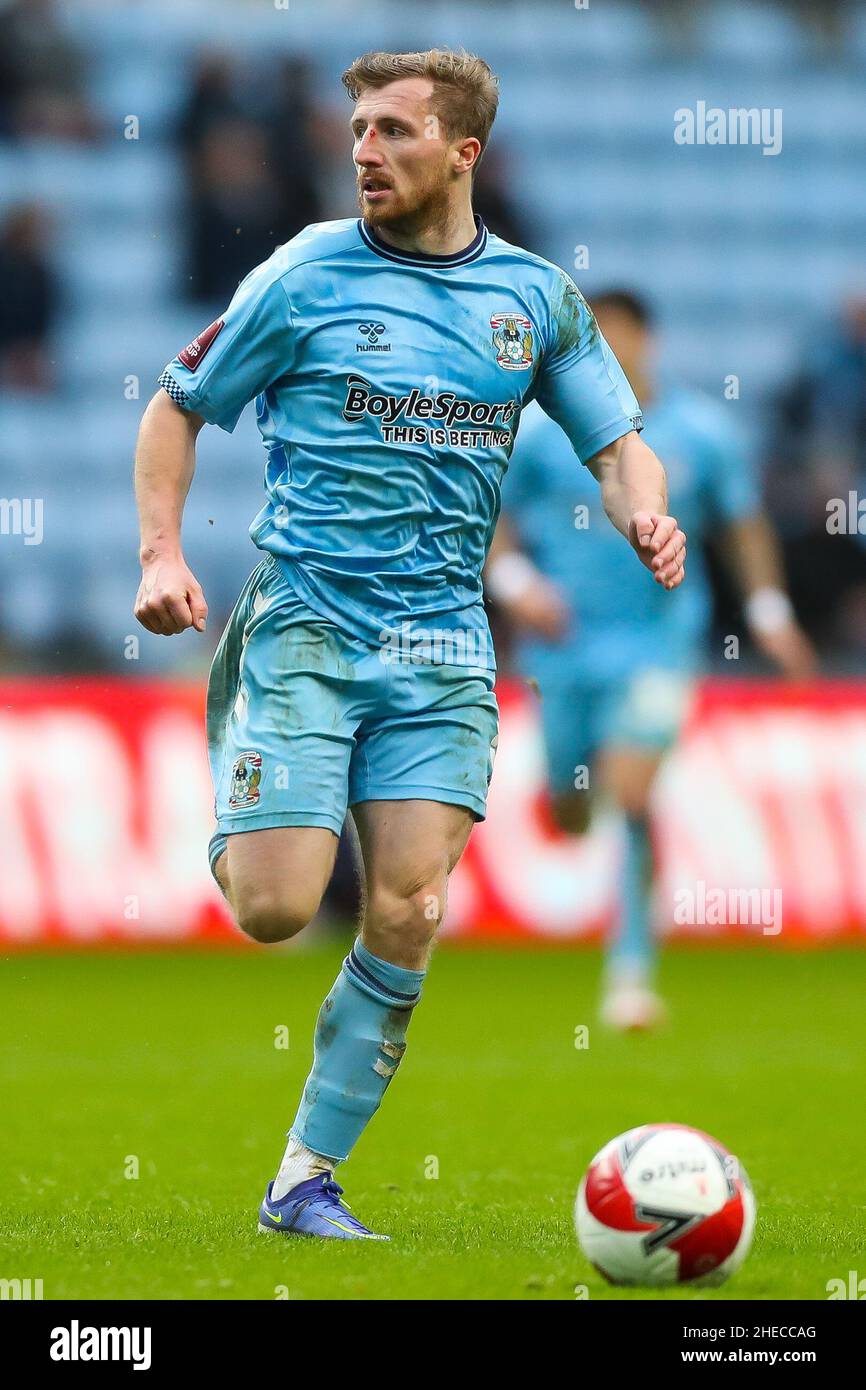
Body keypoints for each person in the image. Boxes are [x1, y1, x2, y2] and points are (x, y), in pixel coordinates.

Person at [132, 51, 685, 1242]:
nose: (362, 151)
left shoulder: (534, 300)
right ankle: (241, 782)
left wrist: (640, 503)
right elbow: (176, 400)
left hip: (442, 645)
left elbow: (617, 437)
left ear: (461, 152)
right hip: (305, 625)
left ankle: (302, 1178)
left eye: (391, 131)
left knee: (410, 906)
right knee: (275, 908)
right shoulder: (301, 275)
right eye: (357, 129)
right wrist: (160, 555)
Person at [488, 289, 814, 1030]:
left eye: (621, 335)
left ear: (647, 339)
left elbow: (741, 525)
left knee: (632, 794)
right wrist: (517, 585)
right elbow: (491, 519)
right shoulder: (541, 435)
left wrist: (768, 614)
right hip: (564, 647)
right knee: (573, 809)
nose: (612, 351)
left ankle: (630, 974)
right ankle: (573, 805)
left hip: (659, 643)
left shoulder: (702, 432)